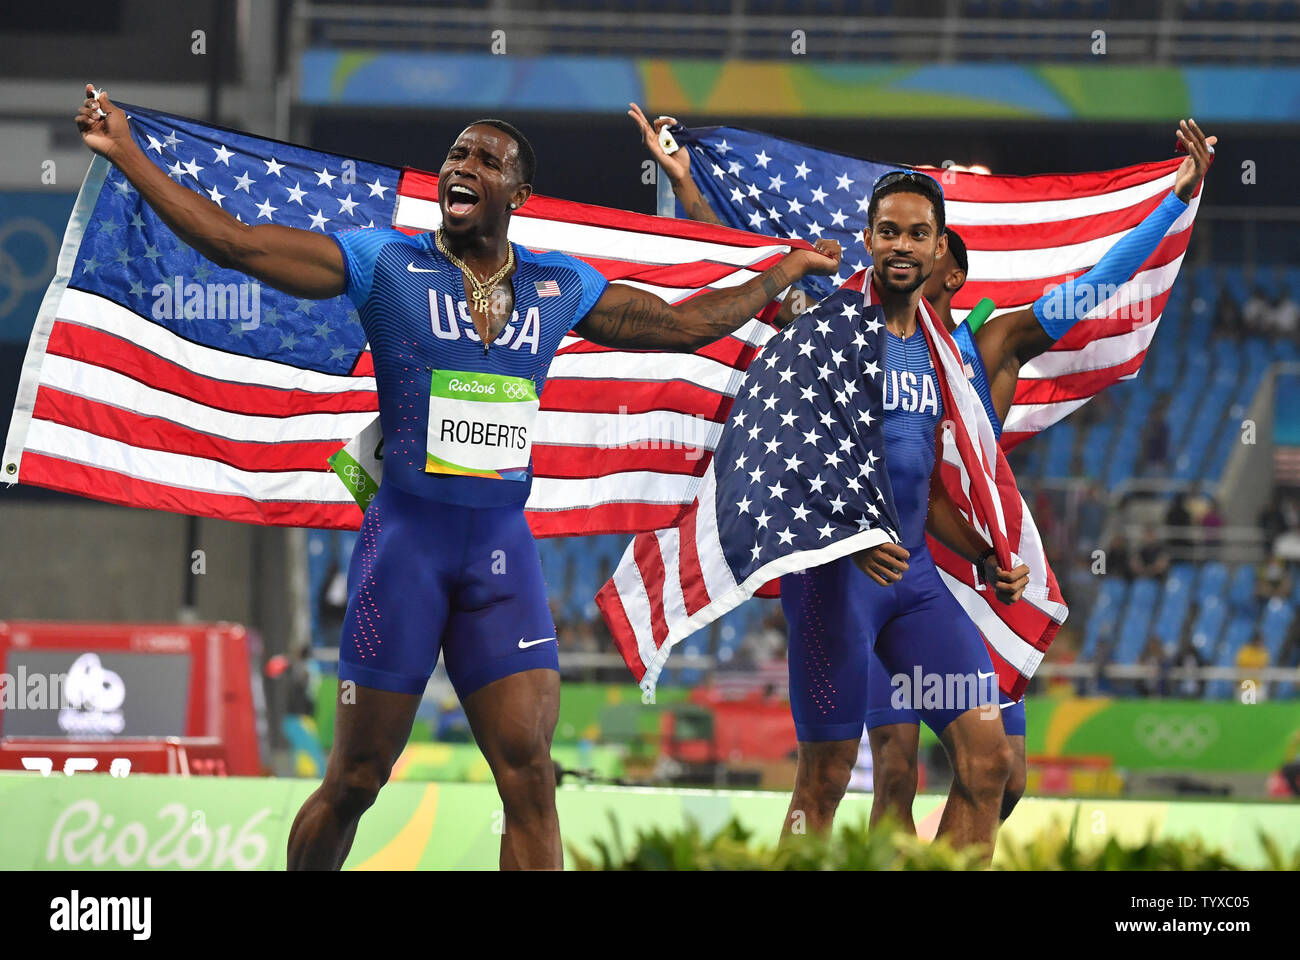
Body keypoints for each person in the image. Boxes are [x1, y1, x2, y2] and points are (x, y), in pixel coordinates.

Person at [77, 85, 842, 871]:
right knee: (356, 778)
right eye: (456, 155)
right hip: (405, 551)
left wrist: (786, 269)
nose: (463, 167)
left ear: (519, 191)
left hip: (501, 562)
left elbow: (686, 324)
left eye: (486, 159)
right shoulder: (386, 263)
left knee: (531, 778)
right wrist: (129, 151)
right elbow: (240, 245)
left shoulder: (558, 286)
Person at [632, 105, 1215, 837]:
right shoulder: (832, 324)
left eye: (919, 235)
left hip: (926, 581)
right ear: (869, 241)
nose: (904, 247)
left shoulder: (966, 348)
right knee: (847, 779)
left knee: (991, 768)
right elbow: (771, 356)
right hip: (844, 581)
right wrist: (687, 186)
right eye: (889, 232)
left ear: (945, 254)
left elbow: (1090, 291)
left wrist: (1175, 201)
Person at [1235, 634, 1270, 701]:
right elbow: (1242, 665)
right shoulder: (1245, 651)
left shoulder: (1263, 652)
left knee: (1260, 709)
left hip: (1258, 686)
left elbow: (1264, 666)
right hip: (1245, 686)